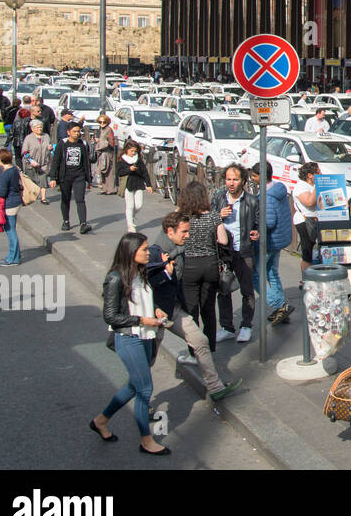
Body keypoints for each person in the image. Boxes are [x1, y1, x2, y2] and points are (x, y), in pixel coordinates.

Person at [149, 211, 241, 401]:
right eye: (184, 231)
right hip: (154, 314)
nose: (188, 236)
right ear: (169, 231)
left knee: (199, 340)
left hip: (173, 310)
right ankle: (143, 400)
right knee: (147, 359)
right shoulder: (154, 254)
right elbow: (144, 285)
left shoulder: (178, 250)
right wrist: (165, 274)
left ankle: (215, 387)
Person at [92, 233, 169, 454]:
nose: (148, 252)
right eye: (144, 249)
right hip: (128, 337)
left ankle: (101, 421)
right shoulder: (115, 278)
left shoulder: (140, 273)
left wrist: (154, 310)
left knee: (134, 386)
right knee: (145, 389)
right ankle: (146, 440)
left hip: (145, 335)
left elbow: (139, 301)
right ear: (131, 252)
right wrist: (142, 320)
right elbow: (110, 316)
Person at [212, 164, 258, 343]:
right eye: (228, 179)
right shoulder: (218, 198)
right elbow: (208, 220)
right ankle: (226, 327)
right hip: (224, 252)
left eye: (235, 179)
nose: (231, 183)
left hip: (243, 250)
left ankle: (246, 326)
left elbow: (259, 223)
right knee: (223, 290)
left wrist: (257, 232)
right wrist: (218, 215)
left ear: (243, 181)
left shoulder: (252, 201)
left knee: (247, 290)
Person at [176, 182, 222, 352]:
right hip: (210, 265)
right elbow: (223, 240)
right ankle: (210, 348)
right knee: (208, 310)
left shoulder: (182, 217)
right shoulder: (213, 216)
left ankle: (195, 350)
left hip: (189, 266)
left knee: (191, 310)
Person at [260, 169, 295, 324]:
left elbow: (268, 222)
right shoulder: (279, 190)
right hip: (279, 240)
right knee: (272, 273)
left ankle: (280, 306)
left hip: (269, 242)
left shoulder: (267, 196)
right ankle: (280, 310)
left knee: (256, 276)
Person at [49, 120, 93, 234]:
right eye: (74, 131)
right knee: (65, 199)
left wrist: (89, 179)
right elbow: (56, 161)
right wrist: (53, 177)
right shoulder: (62, 144)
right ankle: (66, 221)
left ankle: (83, 224)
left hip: (79, 176)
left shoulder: (83, 144)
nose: (77, 133)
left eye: (78, 131)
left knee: (80, 199)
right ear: (68, 132)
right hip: (65, 176)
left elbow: (86, 162)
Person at [0, 149, 24, 265]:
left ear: (0, 161)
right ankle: (16, 254)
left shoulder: (6, 174)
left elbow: (2, 193)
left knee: (10, 231)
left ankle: (12, 258)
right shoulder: (14, 169)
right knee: (12, 229)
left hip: (10, 203)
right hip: (16, 201)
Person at [118, 139, 154, 232]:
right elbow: (119, 172)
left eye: (135, 151)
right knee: (129, 206)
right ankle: (130, 226)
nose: (133, 153)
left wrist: (149, 185)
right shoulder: (122, 159)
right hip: (127, 185)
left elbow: (144, 172)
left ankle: (131, 216)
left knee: (138, 205)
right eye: (131, 151)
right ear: (126, 150)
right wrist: (129, 169)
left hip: (138, 183)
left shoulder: (138, 159)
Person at [292, 161, 320, 273]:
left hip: (314, 219)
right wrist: (318, 186)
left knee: (313, 247)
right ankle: (306, 278)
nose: (321, 174)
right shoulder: (301, 186)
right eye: (318, 173)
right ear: (310, 175)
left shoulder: (311, 185)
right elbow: (308, 202)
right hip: (304, 220)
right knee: (307, 250)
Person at [20, 118, 52, 204]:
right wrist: (30, 160)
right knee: (31, 181)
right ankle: (29, 196)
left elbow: (49, 146)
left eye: (41, 127)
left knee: (43, 180)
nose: (40, 129)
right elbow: (24, 152)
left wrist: (50, 147)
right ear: (32, 128)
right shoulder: (28, 138)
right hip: (31, 163)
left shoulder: (46, 136)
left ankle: (43, 198)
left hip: (43, 163)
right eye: (37, 127)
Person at [95, 116, 117, 194]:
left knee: (109, 171)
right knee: (102, 170)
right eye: (100, 122)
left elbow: (111, 142)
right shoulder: (101, 129)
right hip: (102, 152)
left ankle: (111, 189)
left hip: (107, 152)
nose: (102, 124)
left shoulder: (109, 130)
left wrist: (101, 145)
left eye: (104, 122)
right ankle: (104, 189)